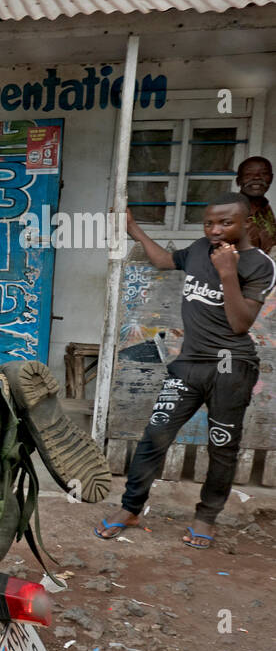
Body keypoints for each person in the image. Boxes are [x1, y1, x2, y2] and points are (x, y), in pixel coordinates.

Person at [96, 194, 275, 547]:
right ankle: (131, 507)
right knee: (155, 435)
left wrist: (227, 273)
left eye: (226, 223)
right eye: (209, 222)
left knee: (222, 446)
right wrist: (134, 229)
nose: (215, 230)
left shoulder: (259, 264)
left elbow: (240, 324)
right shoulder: (197, 249)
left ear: (245, 223)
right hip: (189, 364)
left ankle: (206, 516)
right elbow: (164, 260)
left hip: (231, 366)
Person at [236, 156, 275, 254]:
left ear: (271, 178)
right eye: (248, 174)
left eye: (264, 173)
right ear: (238, 181)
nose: (257, 177)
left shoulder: (265, 207)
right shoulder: (232, 212)